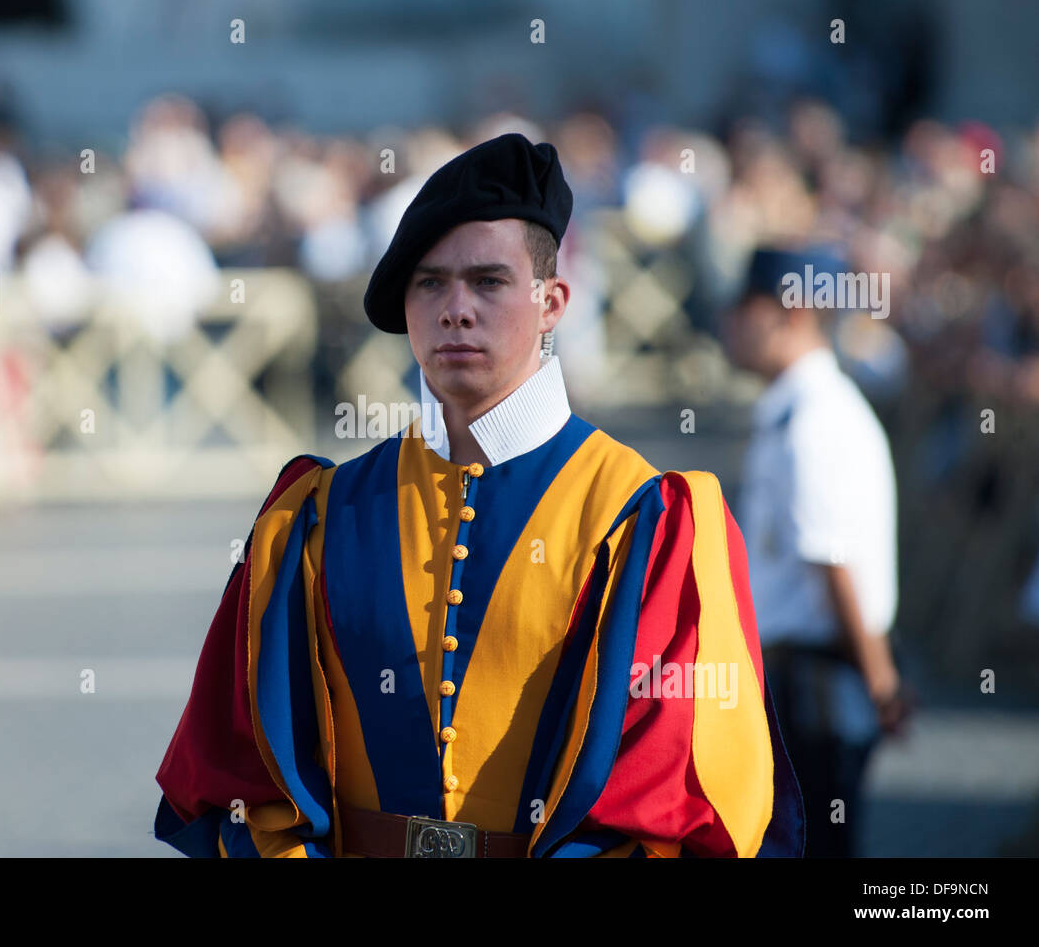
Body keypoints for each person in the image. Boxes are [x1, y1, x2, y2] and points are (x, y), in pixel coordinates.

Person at [153, 133, 804, 858]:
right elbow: (252, 774)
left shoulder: (646, 518)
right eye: (430, 284)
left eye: (489, 282)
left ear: (553, 301)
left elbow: (662, 792)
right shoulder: (318, 514)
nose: (455, 310)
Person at [722, 246, 913, 858]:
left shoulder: (815, 419)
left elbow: (833, 563)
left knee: (817, 844)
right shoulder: (796, 410)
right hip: (807, 675)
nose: (733, 323)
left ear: (794, 312)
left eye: (749, 307)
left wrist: (882, 683)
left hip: (822, 678)